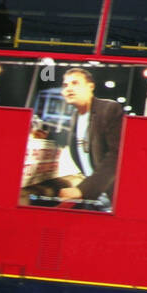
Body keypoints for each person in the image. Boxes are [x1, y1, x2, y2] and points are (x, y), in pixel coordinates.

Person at [28, 67, 124, 208]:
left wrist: (82, 189)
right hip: (94, 196)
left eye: (75, 83)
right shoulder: (75, 117)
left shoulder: (109, 109)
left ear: (90, 86)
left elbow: (117, 156)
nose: (69, 88)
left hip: (111, 196)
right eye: (66, 85)